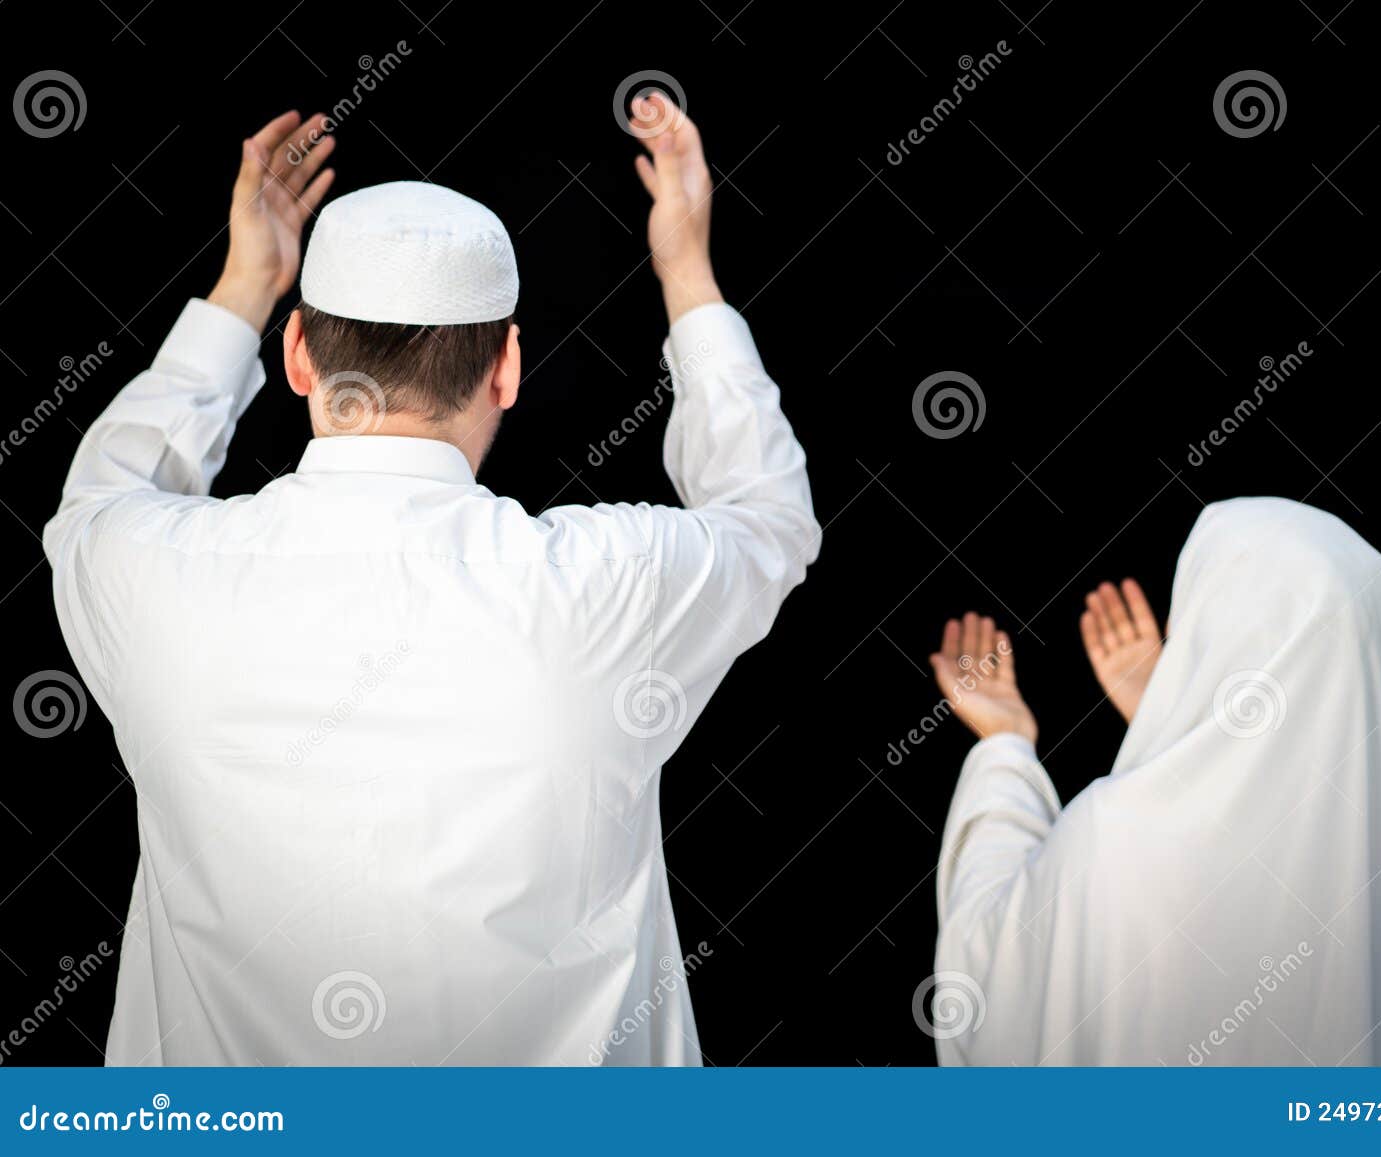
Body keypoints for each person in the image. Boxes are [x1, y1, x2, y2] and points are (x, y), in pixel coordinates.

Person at [41, 95, 820, 1065]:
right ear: (507, 368)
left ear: (296, 355)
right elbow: (768, 518)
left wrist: (246, 284)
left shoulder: (150, 575)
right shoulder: (609, 584)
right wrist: (686, 269)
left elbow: (101, 491)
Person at [926, 498, 1381, 1065]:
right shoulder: (1380, 859)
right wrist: (1173, 721)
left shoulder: (1116, 835)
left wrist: (1004, 744)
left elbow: (992, 982)